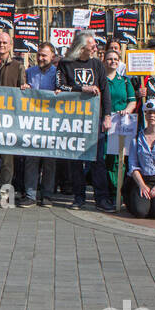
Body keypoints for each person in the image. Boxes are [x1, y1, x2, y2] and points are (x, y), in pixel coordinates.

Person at [58, 32, 113, 211]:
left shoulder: (97, 64)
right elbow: (60, 87)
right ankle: (78, 196)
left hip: (93, 120)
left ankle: (102, 198)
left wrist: (107, 116)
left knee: (98, 160)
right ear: (82, 48)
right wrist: (82, 88)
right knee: (75, 162)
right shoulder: (65, 64)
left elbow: (105, 91)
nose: (96, 48)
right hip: (73, 120)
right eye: (93, 46)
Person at [19, 41, 61, 207]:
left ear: (52, 56)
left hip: (51, 122)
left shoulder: (58, 73)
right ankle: (30, 195)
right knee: (31, 159)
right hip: (33, 122)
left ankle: (47, 195)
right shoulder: (29, 72)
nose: (41, 58)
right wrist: (24, 87)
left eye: (44, 55)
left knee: (49, 160)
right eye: (39, 55)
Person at [0, 30, 25, 203]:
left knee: (7, 160)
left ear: (10, 45)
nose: (1, 45)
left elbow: (22, 89)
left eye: (4, 43)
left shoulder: (18, 66)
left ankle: (5, 197)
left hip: (8, 118)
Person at [102, 45, 138, 195]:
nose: (113, 62)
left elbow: (132, 101)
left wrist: (127, 111)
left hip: (120, 123)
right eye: (110, 59)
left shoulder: (124, 81)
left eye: (115, 59)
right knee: (105, 157)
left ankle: (118, 191)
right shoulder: (100, 80)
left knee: (120, 158)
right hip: (104, 123)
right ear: (104, 61)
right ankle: (107, 189)